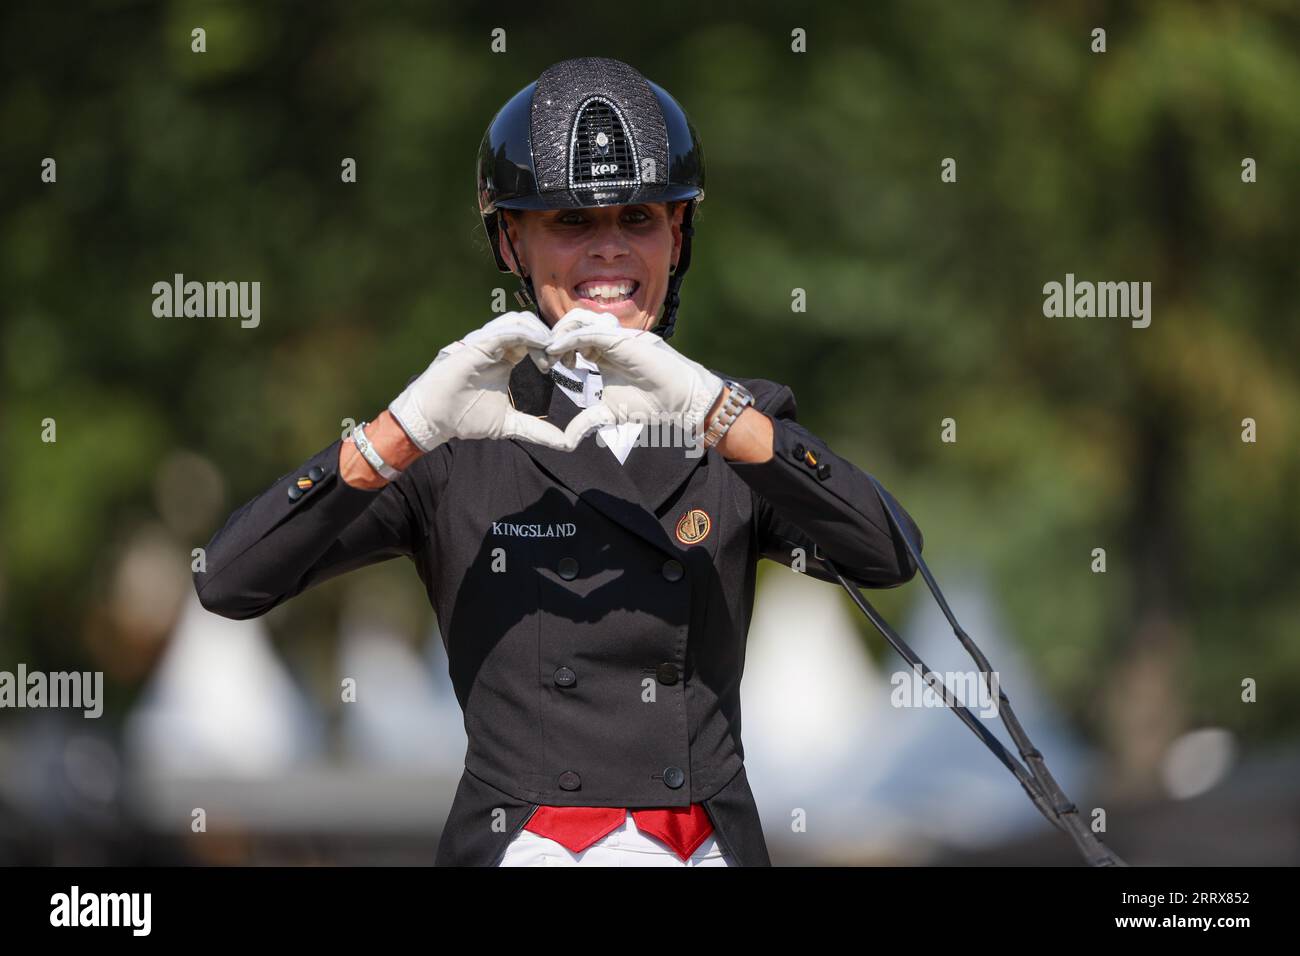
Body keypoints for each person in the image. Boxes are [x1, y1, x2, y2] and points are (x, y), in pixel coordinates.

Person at [194, 56, 923, 867]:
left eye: (638, 219)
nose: (609, 252)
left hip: (701, 848)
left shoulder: (734, 422)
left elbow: (888, 553)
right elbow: (230, 580)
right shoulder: (456, 434)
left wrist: (721, 415)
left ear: (677, 235)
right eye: (571, 224)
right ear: (511, 240)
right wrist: (396, 433)